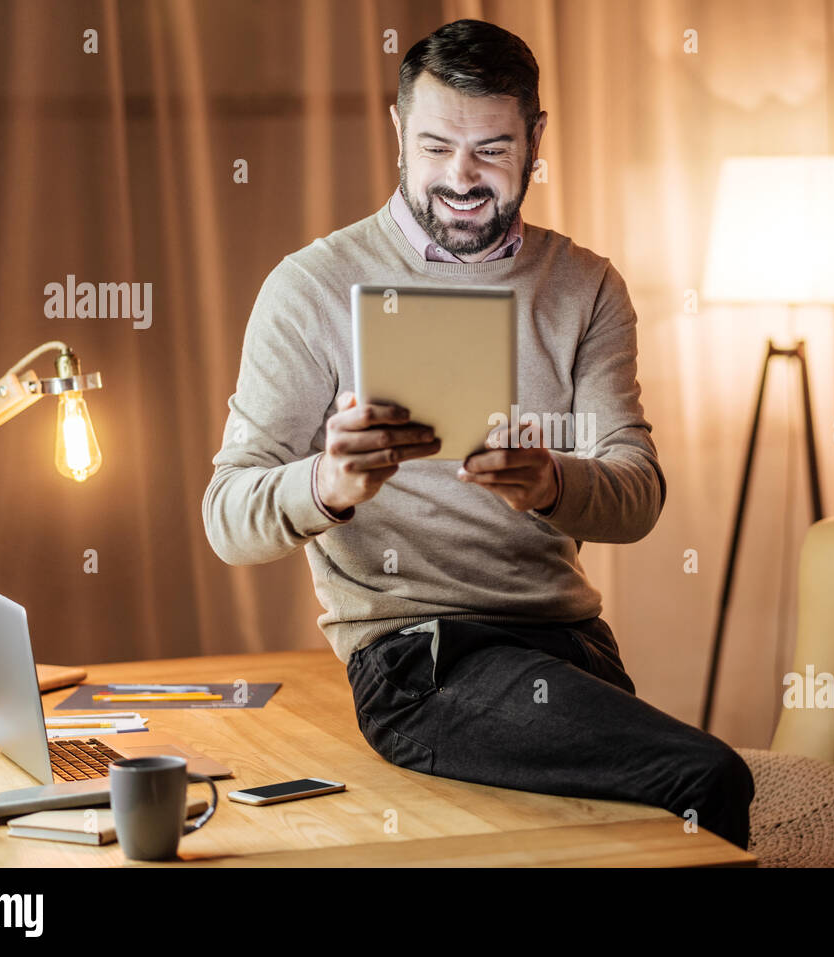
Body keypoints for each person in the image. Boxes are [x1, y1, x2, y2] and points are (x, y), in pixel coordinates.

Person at [203, 18, 754, 849]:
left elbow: (637, 494)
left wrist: (553, 484)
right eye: (435, 148)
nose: (461, 177)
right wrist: (326, 484)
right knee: (709, 776)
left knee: (629, 827)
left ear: (537, 139)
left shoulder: (587, 287)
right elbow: (225, 517)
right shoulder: (310, 288)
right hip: (420, 660)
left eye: (492, 150)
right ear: (397, 133)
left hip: (570, 649)